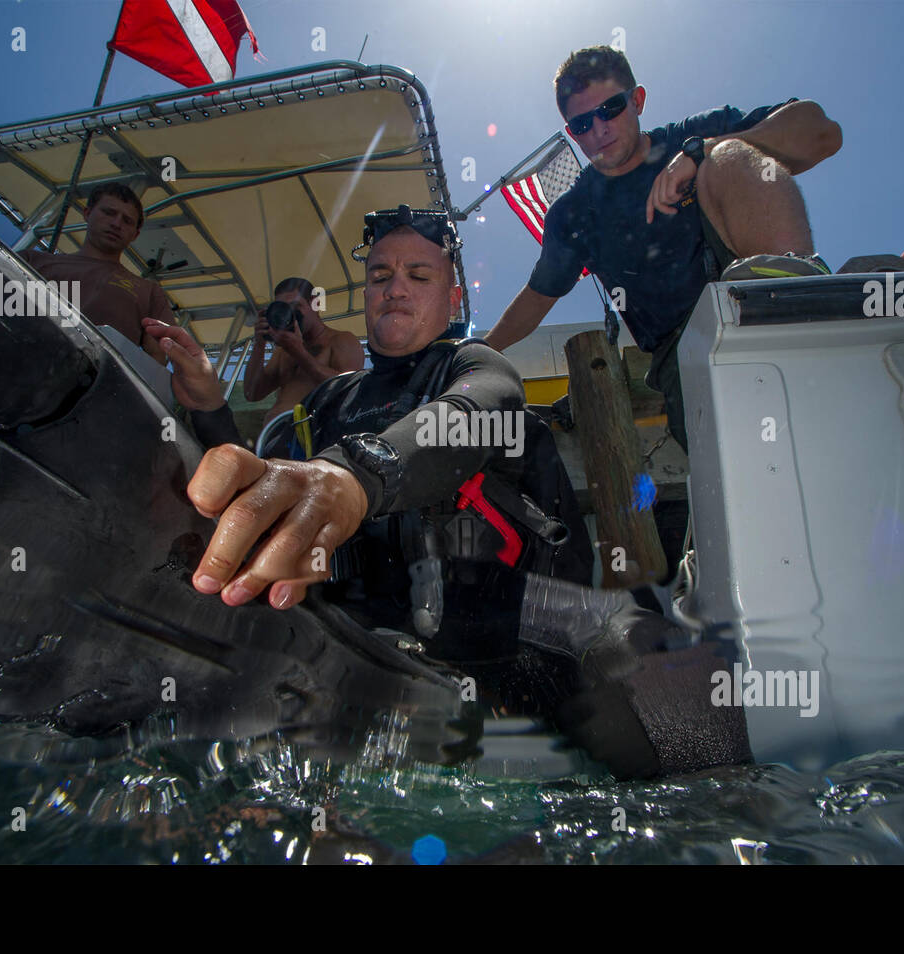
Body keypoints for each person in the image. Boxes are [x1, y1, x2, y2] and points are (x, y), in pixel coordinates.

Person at [144, 206, 753, 779]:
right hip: (364, 643)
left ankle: (714, 819)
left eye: (418, 274)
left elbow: (484, 405)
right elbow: (267, 493)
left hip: (512, 629)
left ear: (453, 295)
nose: (395, 288)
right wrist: (209, 410)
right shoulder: (328, 402)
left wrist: (356, 478)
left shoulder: (475, 366)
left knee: (655, 653)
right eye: (380, 275)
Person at [483, 46, 842, 454]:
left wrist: (701, 151)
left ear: (637, 100)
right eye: (582, 123)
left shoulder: (690, 135)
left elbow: (822, 133)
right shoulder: (573, 213)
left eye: (611, 108)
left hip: (763, 300)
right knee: (745, 468)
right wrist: (478, 352)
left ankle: (795, 307)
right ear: (571, 133)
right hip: (685, 352)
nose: (598, 129)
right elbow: (537, 296)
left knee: (725, 155)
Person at [19, 182, 174, 364]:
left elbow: (157, 358)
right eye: (109, 213)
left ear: (135, 234)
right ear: (87, 213)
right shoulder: (30, 261)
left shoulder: (150, 292)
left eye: (127, 221)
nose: (116, 224)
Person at [242, 277, 365, 419]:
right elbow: (252, 393)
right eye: (285, 309)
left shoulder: (341, 340)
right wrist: (259, 344)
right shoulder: (283, 351)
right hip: (275, 433)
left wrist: (298, 352)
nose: (292, 315)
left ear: (315, 304)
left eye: (296, 307)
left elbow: (351, 391)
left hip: (315, 435)